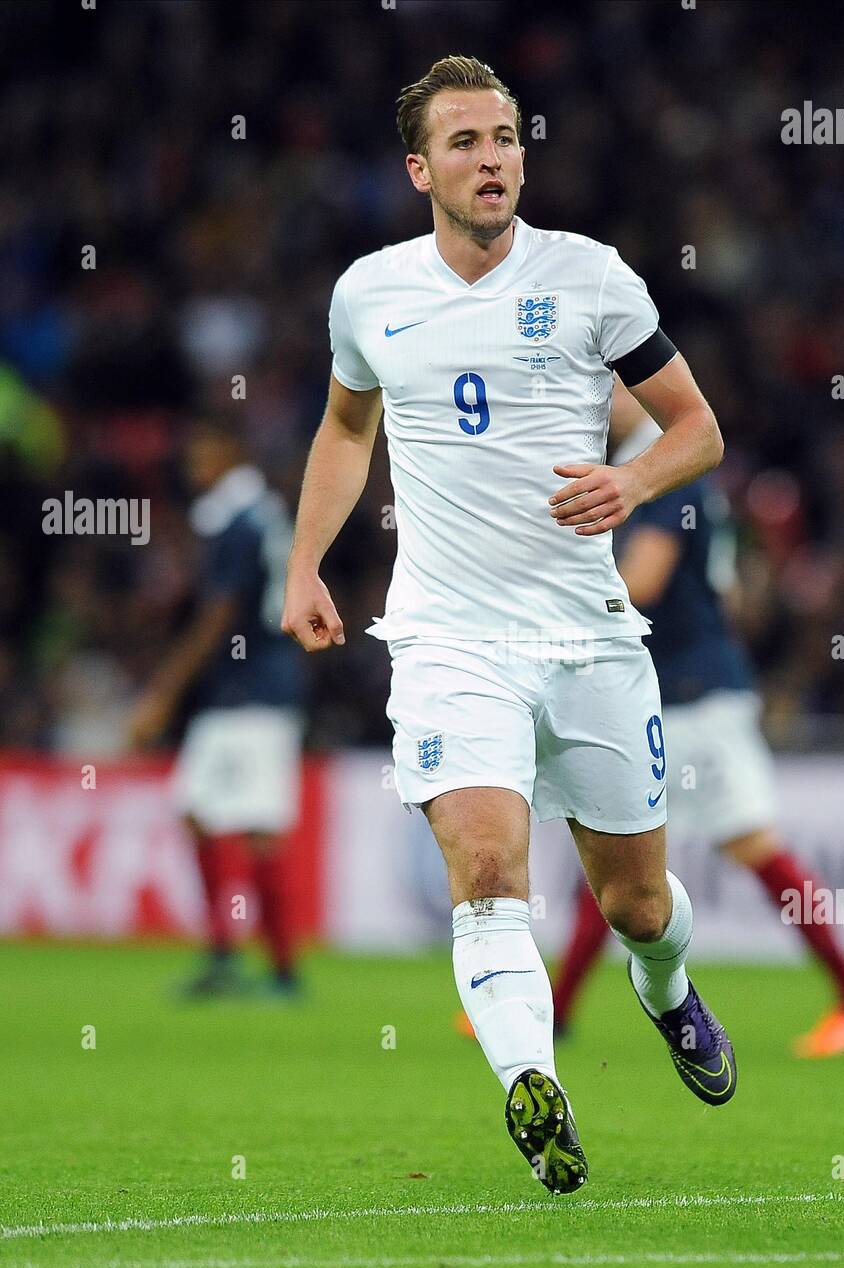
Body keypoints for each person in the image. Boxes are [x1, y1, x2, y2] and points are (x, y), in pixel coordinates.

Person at [281, 56, 734, 1195]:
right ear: (420, 167)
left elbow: (698, 430)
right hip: (446, 640)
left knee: (635, 903)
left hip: (587, 639)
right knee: (487, 868)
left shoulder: (591, 278)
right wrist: (304, 566)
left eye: (507, 138)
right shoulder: (370, 293)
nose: (493, 159)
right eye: (469, 142)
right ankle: (534, 1087)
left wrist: (632, 487)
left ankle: (668, 988)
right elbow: (346, 432)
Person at [548, 381, 844, 1058]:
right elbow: (724, 589)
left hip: (693, 701)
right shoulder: (672, 469)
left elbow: (642, 581)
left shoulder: (657, 468)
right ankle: (555, 1012)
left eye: (610, 380)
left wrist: (550, 591)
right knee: (626, 856)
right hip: (683, 690)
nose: (596, 393)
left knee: (724, 849)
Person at [131, 413, 306, 998]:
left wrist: (163, 691)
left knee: (255, 826)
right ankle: (225, 953)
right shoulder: (249, 512)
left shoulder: (240, 521)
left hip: (256, 690)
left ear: (230, 451)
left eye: (203, 451)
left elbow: (219, 615)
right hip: (238, 691)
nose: (192, 464)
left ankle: (282, 971)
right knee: (198, 808)